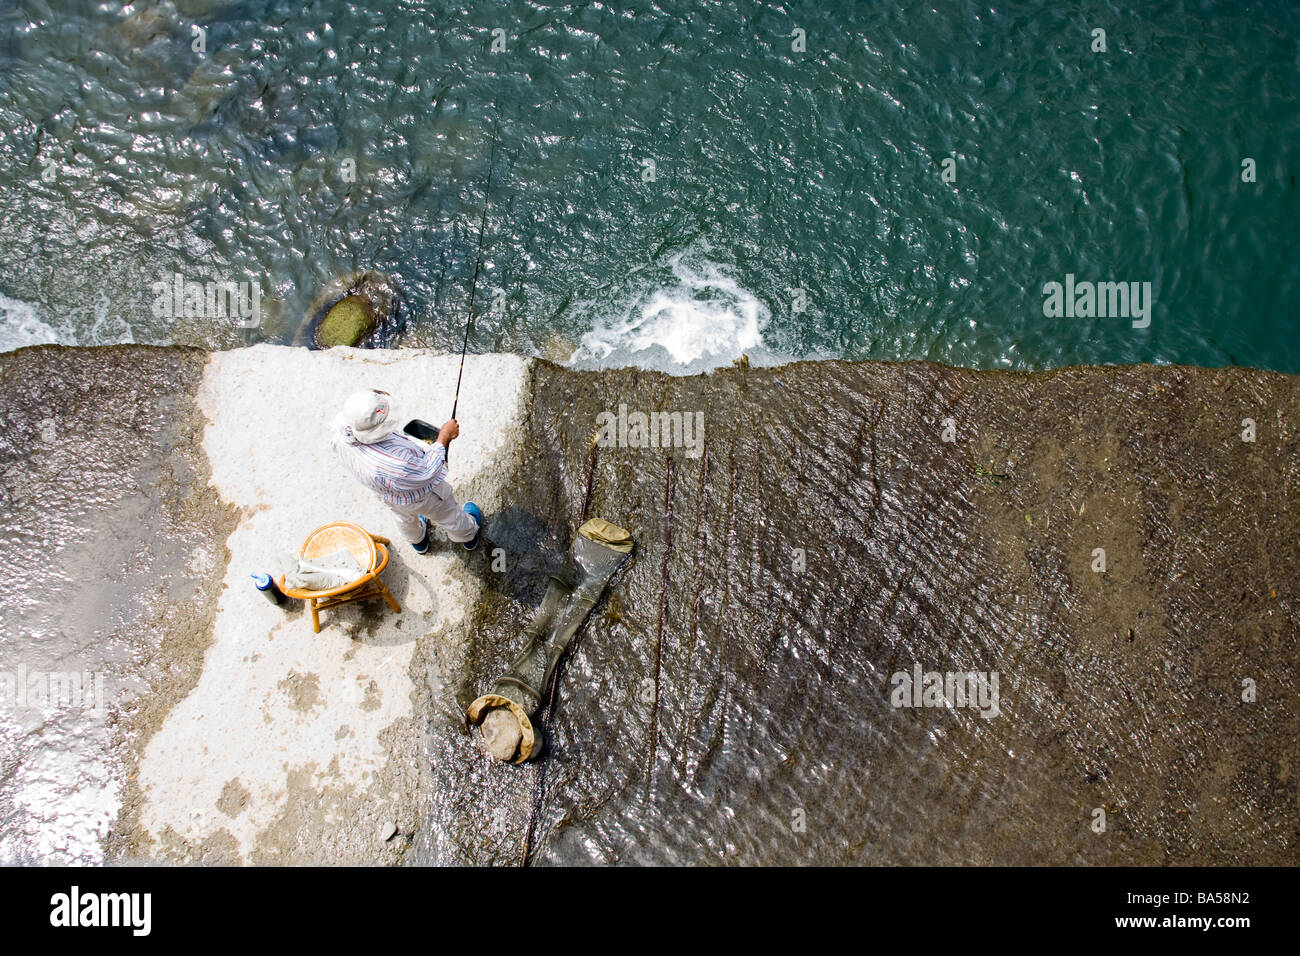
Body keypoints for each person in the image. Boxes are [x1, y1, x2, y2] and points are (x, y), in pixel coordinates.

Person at [331, 388, 483, 553]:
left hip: (388, 494)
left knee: (403, 518)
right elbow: (428, 471)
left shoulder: (340, 433)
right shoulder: (395, 464)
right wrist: (444, 436)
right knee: (448, 515)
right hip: (422, 496)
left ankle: (417, 540)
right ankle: (468, 534)